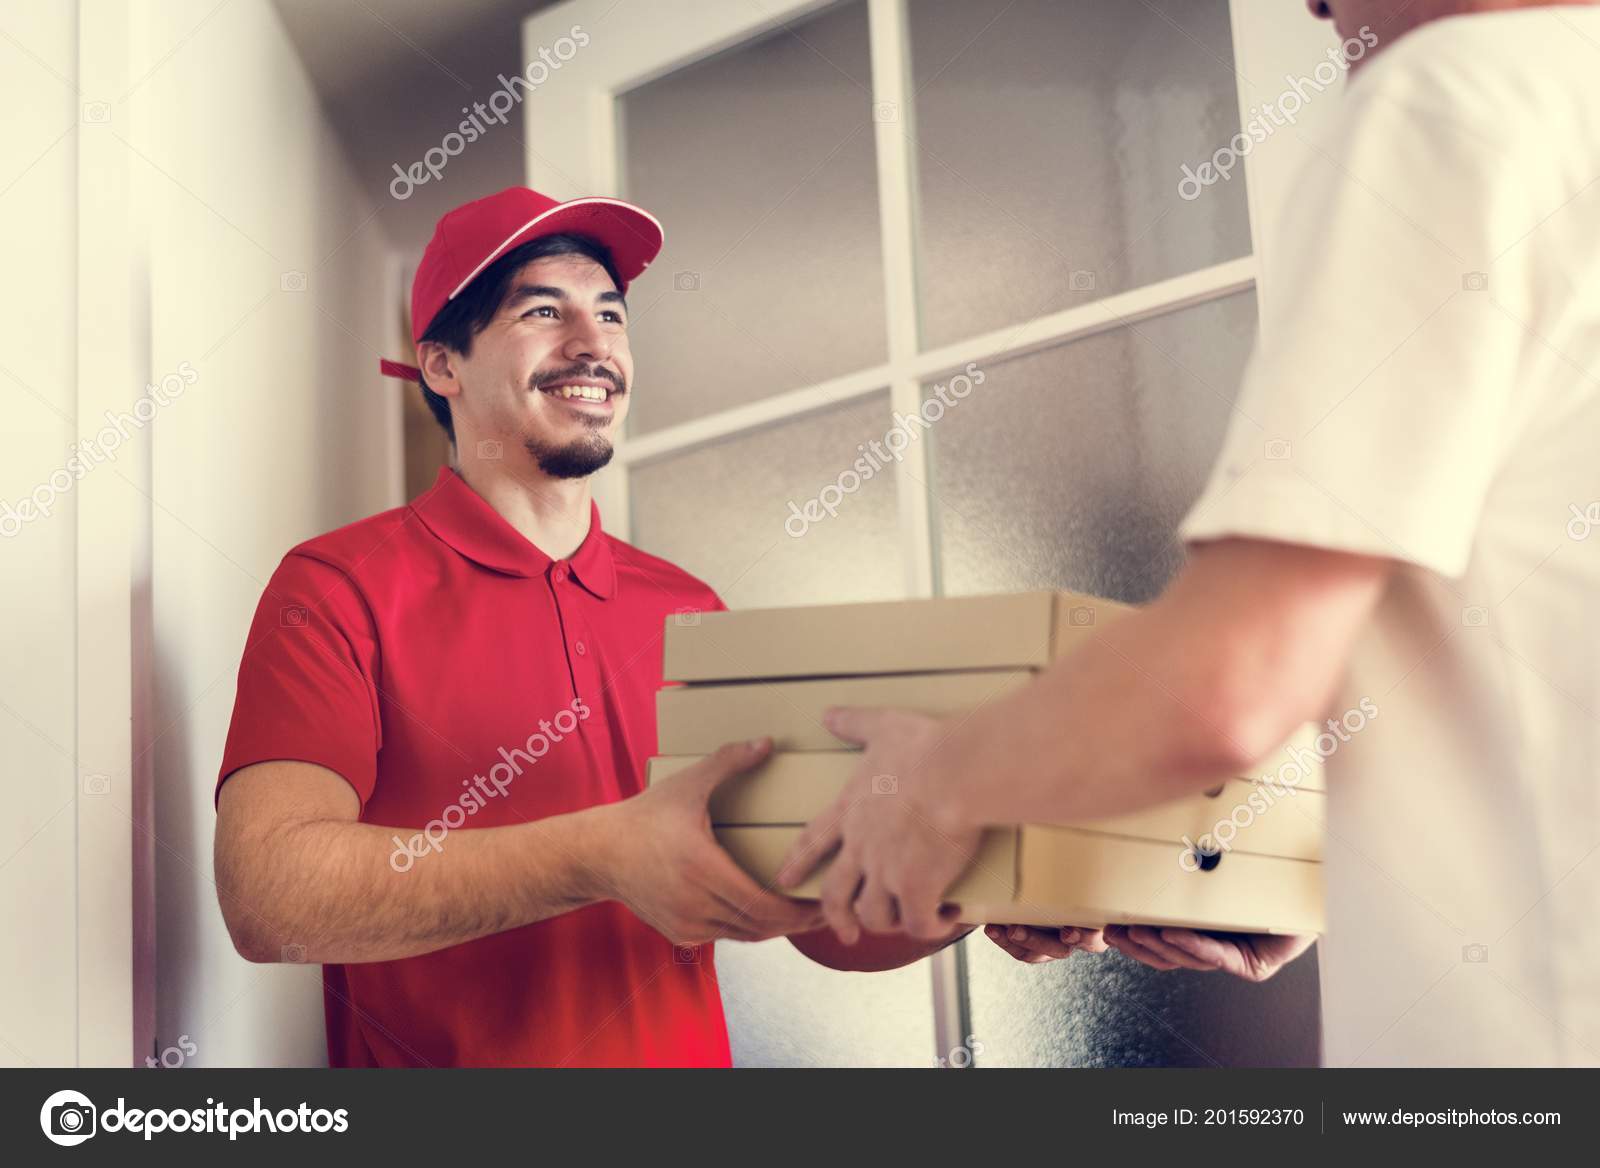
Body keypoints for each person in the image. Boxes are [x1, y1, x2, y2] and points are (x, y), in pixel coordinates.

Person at [780, 0, 1600, 1066]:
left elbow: (1235, 681)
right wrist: (1282, 870)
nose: (1313, 4)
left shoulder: (1452, 94)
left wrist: (938, 785)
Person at [212, 186, 948, 1068]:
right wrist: (598, 855)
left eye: (609, 313)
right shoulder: (335, 590)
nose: (594, 343)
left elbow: (812, 914)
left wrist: (988, 891)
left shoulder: (690, 609)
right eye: (542, 311)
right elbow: (270, 897)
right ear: (443, 366)